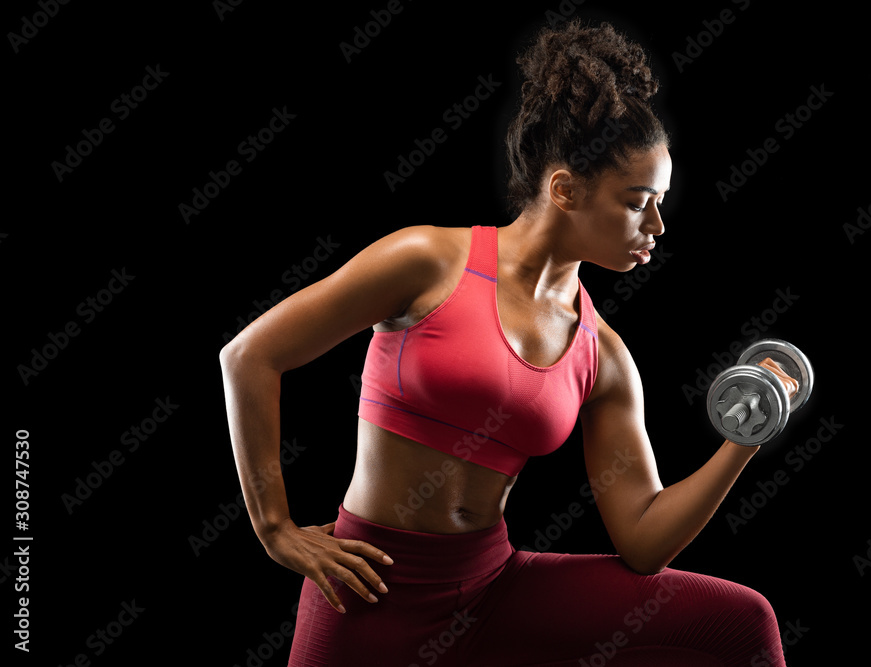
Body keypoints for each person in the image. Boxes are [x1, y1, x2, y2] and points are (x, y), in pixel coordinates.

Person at [220, 18, 793, 667]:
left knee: (741, 621)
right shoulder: (428, 261)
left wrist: (745, 438)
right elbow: (250, 355)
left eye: (660, 201)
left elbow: (643, 538)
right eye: (638, 202)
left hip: (491, 591)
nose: (657, 224)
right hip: (369, 587)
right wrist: (274, 527)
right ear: (565, 189)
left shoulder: (603, 355)